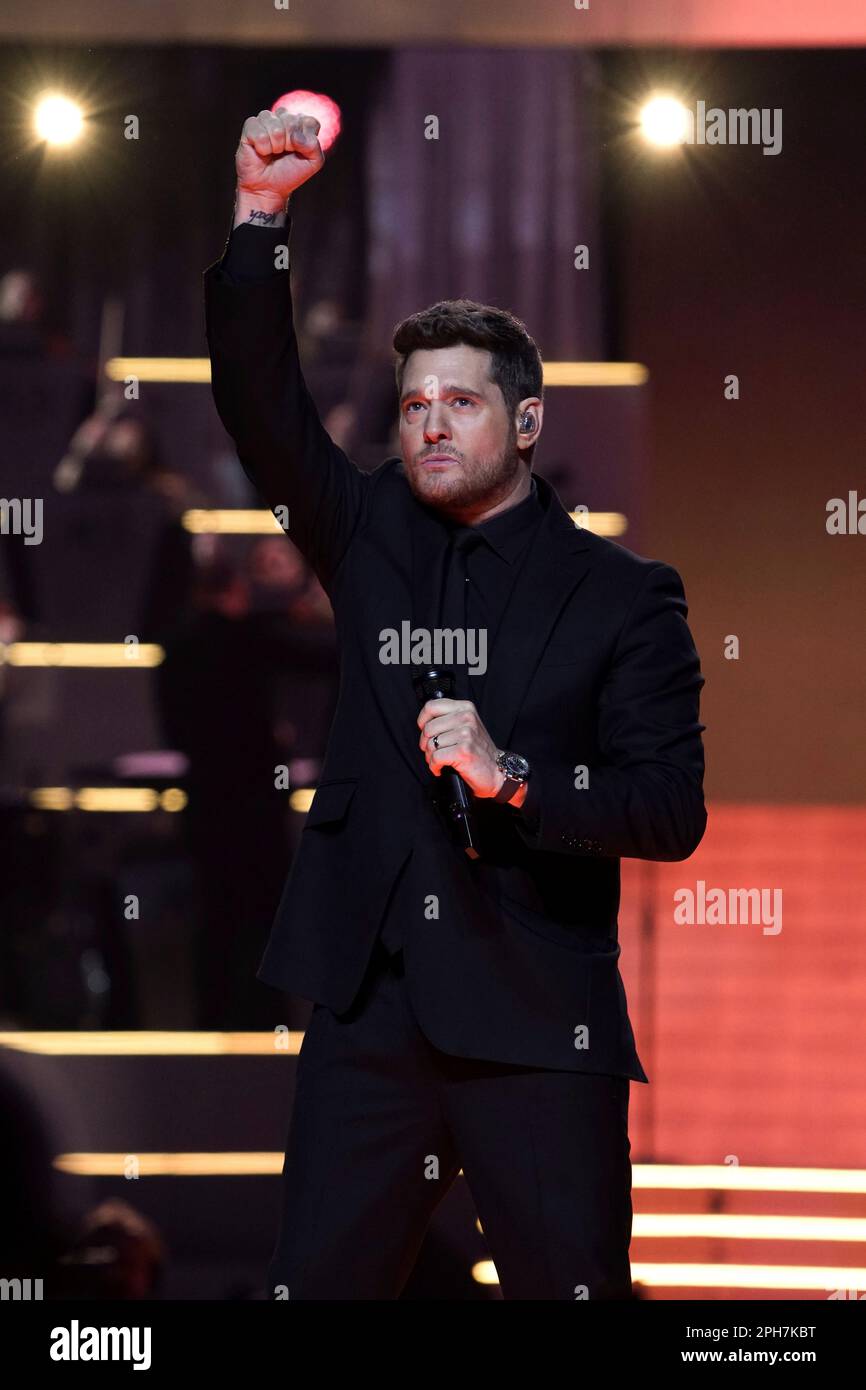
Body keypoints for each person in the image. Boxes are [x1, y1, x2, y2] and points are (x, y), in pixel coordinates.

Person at [203, 108, 707, 1300]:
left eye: (460, 403)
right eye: (413, 403)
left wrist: (512, 776)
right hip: (367, 1018)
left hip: (535, 1023)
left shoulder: (623, 595)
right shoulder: (365, 528)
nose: (428, 423)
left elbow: (665, 808)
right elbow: (261, 407)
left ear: (525, 421)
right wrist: (261, 218)